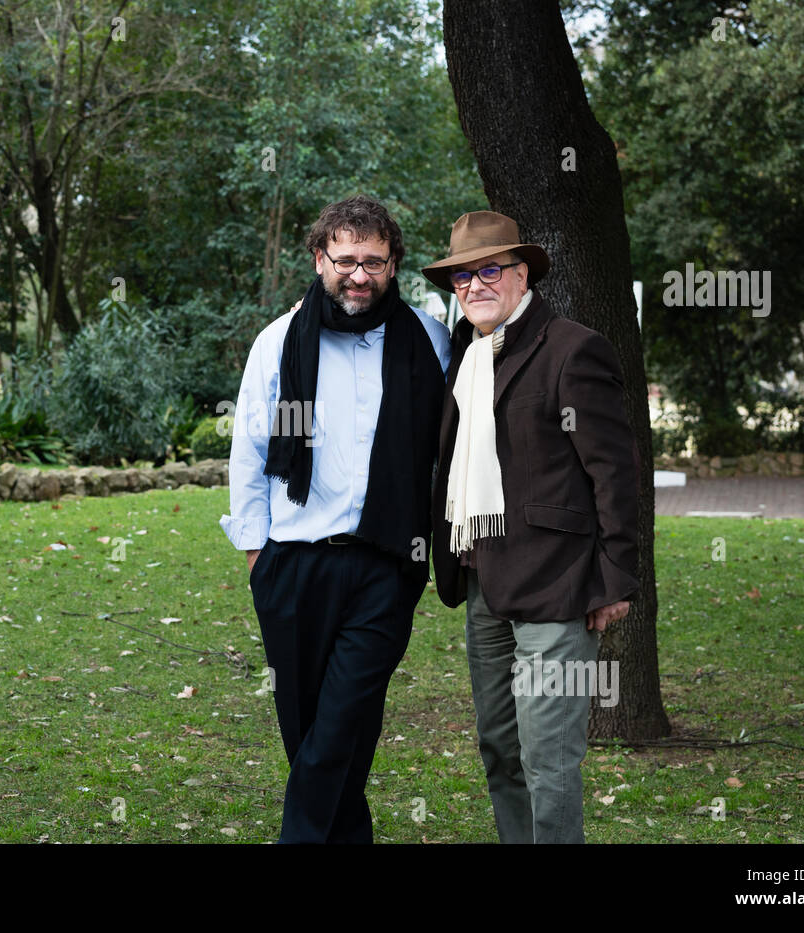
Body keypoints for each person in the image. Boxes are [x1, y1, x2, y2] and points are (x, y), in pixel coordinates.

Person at [220, 195, 450, 843]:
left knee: (341, 720)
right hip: (291, 563)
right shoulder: (278, 342)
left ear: (393, 263)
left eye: (373, 261)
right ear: (320, 257)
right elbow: (250, 450)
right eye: (345, 259)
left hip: (386, 562)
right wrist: (256, 554)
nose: (358, 274)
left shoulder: (427, 341)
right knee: (311, 731)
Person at [422, 210, 640, 844]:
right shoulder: (465, 354)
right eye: (462, 276)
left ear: (522, 275)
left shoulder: (573, 348)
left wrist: (614, 581)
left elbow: (616, 476)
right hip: (482, 577)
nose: (474, 285)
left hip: (557, 584)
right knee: (499, 747)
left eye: (490, 270)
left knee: (549, 758)